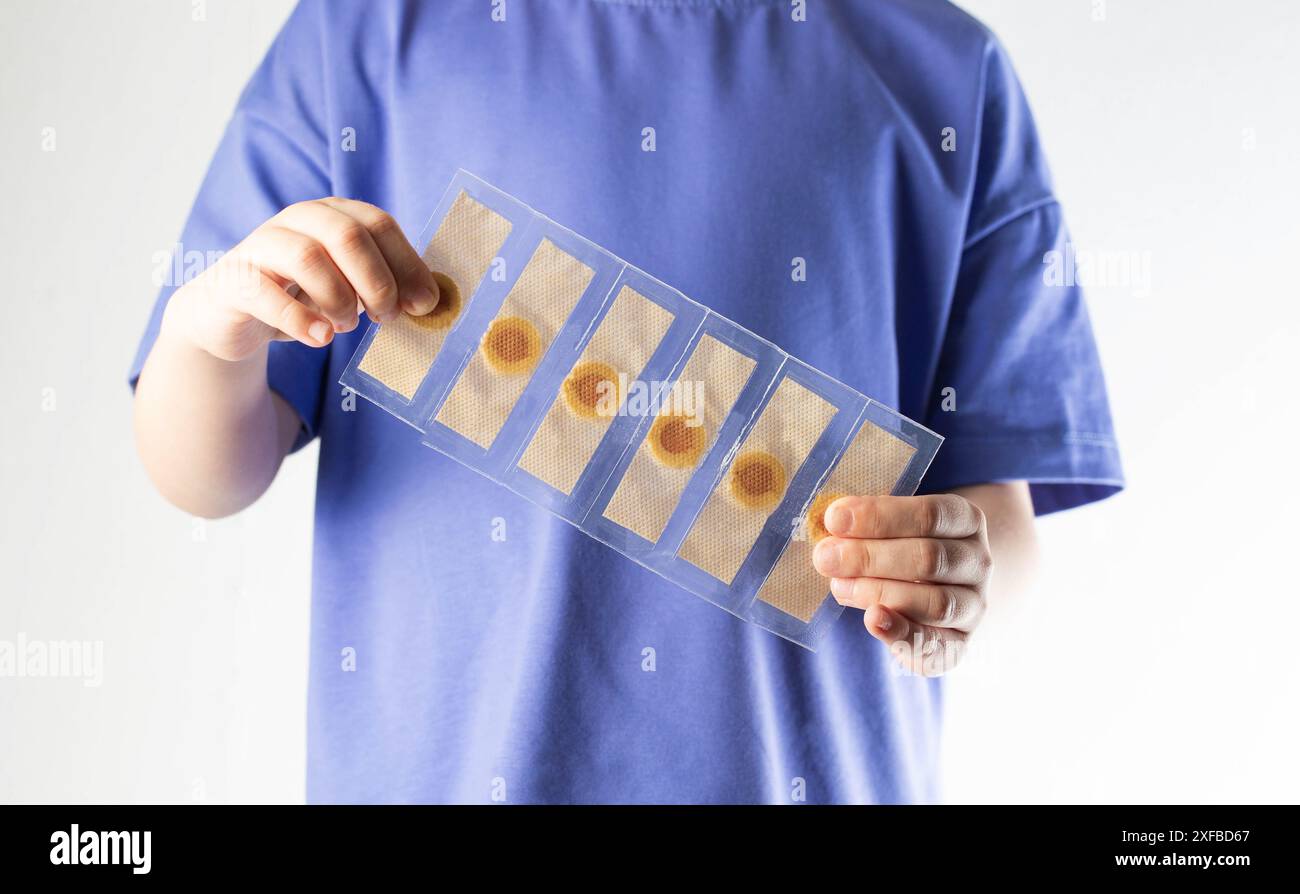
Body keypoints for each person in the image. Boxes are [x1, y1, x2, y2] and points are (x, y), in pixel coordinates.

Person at [130, 0, 1123, 803]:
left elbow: (1003, 524)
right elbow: (209, 475)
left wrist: (962, 581)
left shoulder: (947, 71)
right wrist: (209, 331)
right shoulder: (360, 37)